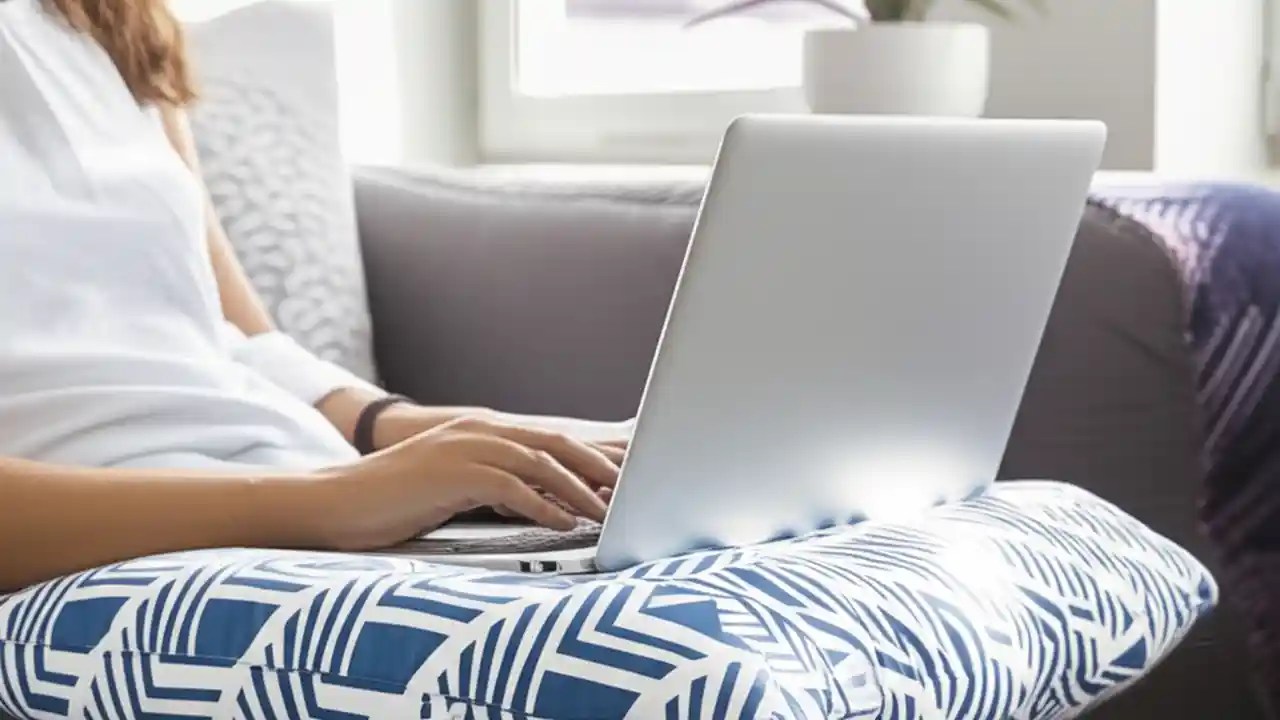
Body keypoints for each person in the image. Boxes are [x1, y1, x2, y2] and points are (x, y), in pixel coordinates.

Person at [0, 0, 630, 592]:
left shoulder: (107, 16)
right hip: (116, 562)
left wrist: (417, 430)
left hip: (299, 489)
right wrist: (335, 502)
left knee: (693, 576)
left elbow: (231, 334)